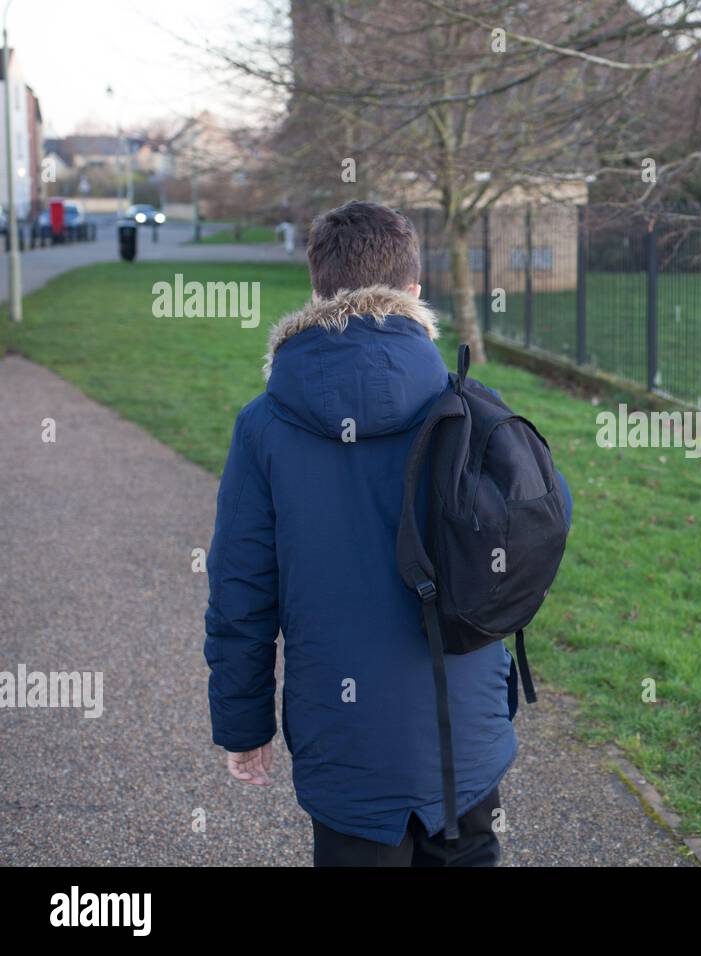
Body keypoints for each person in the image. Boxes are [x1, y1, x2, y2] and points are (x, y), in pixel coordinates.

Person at [203, 200, 569, 866]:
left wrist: (243, 725)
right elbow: (537, 525)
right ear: (414, 293)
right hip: (464, 735)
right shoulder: (465, 407)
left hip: (345, 744)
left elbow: (240, 593)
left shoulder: (264, 428)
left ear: (317, 292)